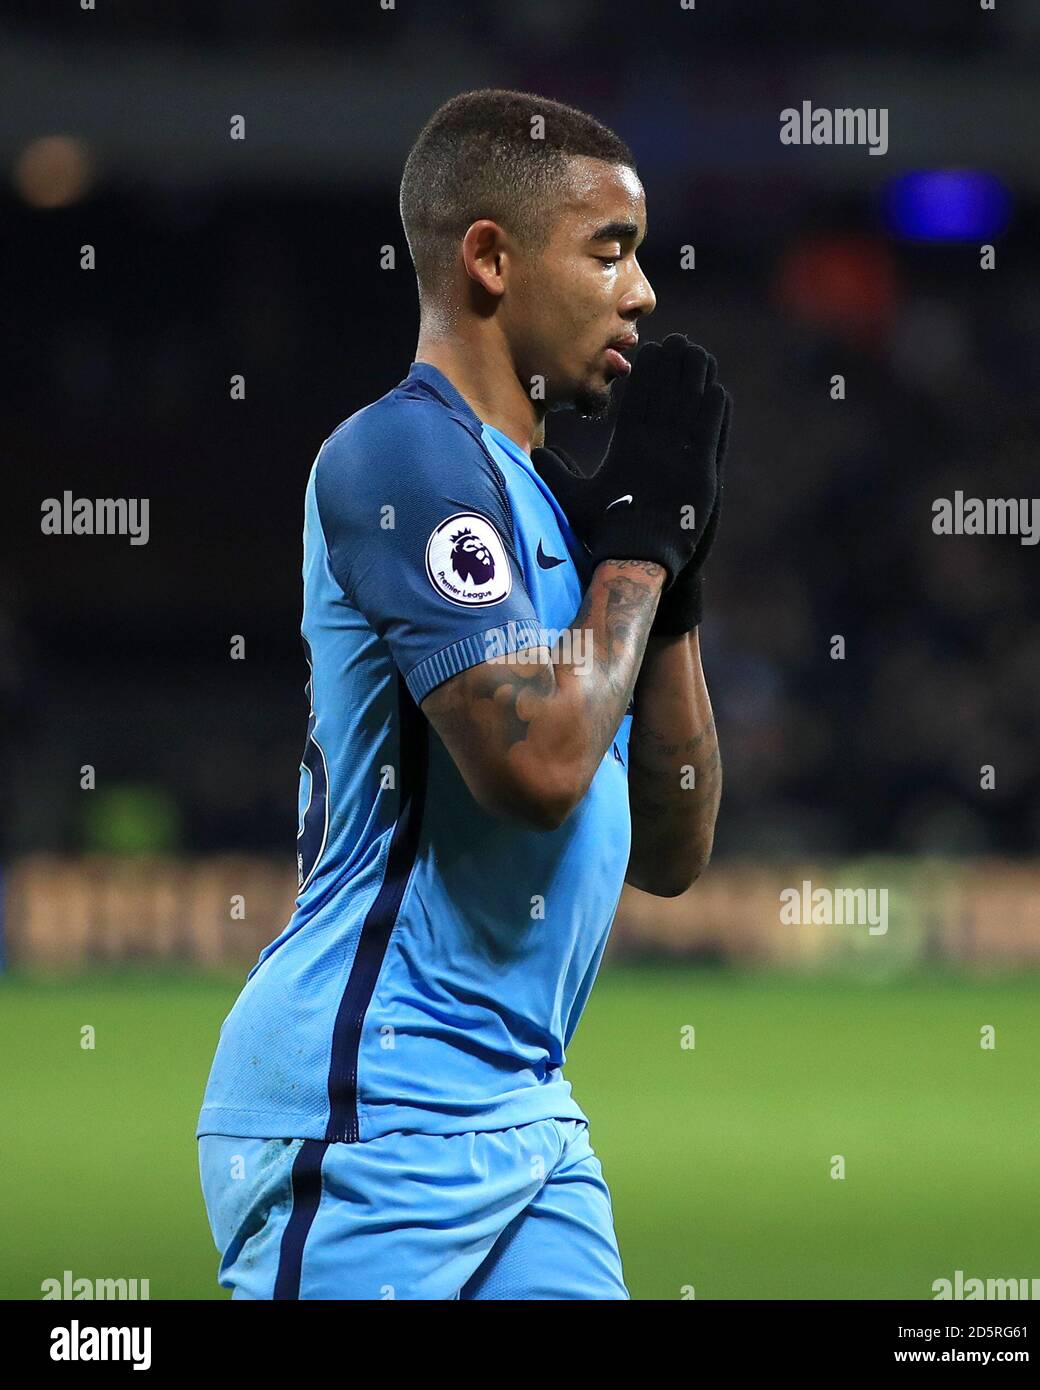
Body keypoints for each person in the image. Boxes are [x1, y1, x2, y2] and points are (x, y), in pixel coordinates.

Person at [197, 87, 731, 1300]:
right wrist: (638, 558)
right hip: (371, 1106)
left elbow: (674, 844)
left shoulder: (546, 508)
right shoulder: (400, 456)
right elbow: (536, 769)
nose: (641, 293)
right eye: (610, 250)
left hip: (525, 1111)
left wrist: (670, 583)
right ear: (488, 258)